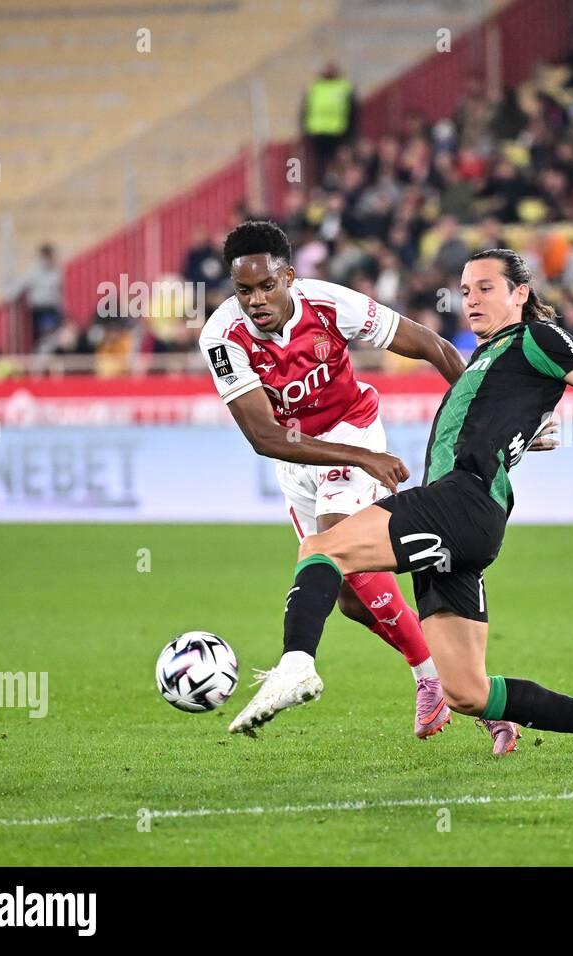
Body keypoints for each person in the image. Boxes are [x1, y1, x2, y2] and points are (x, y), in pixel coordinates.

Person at [229, 249, 573, 767]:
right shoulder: (486, 358)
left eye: (487, 288)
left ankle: (297, 664)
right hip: (465, 522)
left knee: (322, 549)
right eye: (466, 290)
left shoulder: (537, 338)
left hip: (460, 502)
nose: (471, 299)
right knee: (466, 692)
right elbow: (497, 412)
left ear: (521, 293)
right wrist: (519, 429)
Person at [199, 220, 478, 746]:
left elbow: (432, 346)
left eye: (266, 286)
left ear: (288, 277)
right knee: (351, 598)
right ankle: (440, 681)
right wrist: (358, 459)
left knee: (330, 547)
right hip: (297, 456)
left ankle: (296, 665)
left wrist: (482, 415)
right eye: (243, 291)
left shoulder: (329, 304)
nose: (255, 301)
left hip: (351, 427)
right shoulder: (221, 337)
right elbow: (265, 435)